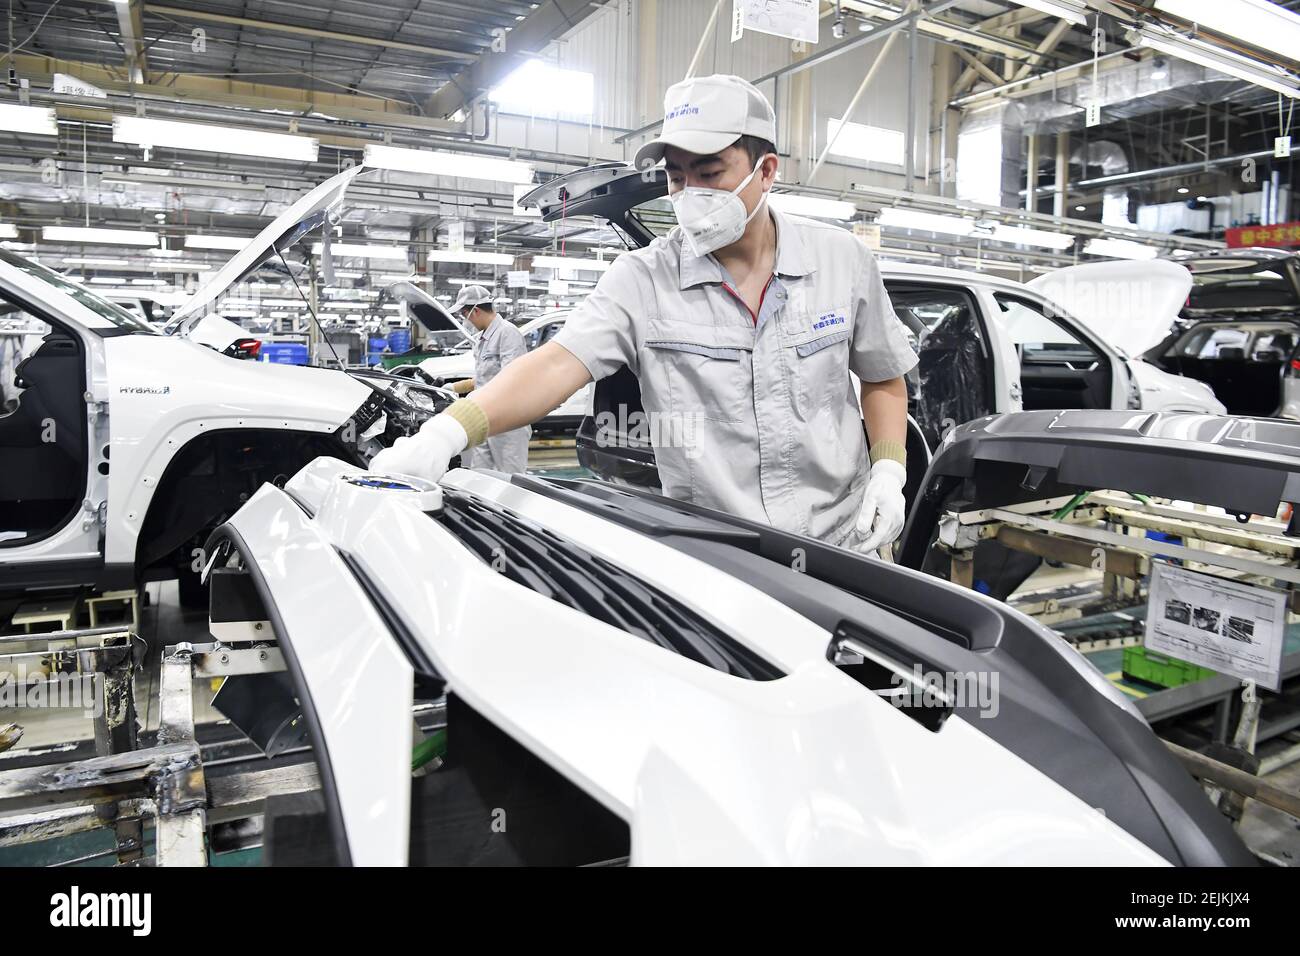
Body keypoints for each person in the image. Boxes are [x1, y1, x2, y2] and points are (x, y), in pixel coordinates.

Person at [372, 74, 917, 554]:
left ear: (766, 170)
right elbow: (556, 365)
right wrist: (443, 434)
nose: (689, 192)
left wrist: (889, 470)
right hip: (721, 553)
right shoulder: (643, 278)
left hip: (843, 544)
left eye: (709, 172)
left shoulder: (842, 261)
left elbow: (882, 375)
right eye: (678, 177)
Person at [443, 285, 531, 474]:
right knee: (481, 477)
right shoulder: (483, 339)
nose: (463, 319)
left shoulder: (507, 333)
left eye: (463, 314)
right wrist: (453, 387)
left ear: (474, 311)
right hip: (485, 419)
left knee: (510, 479)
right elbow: (485, 377)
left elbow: (512, 378)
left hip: (508, 423)